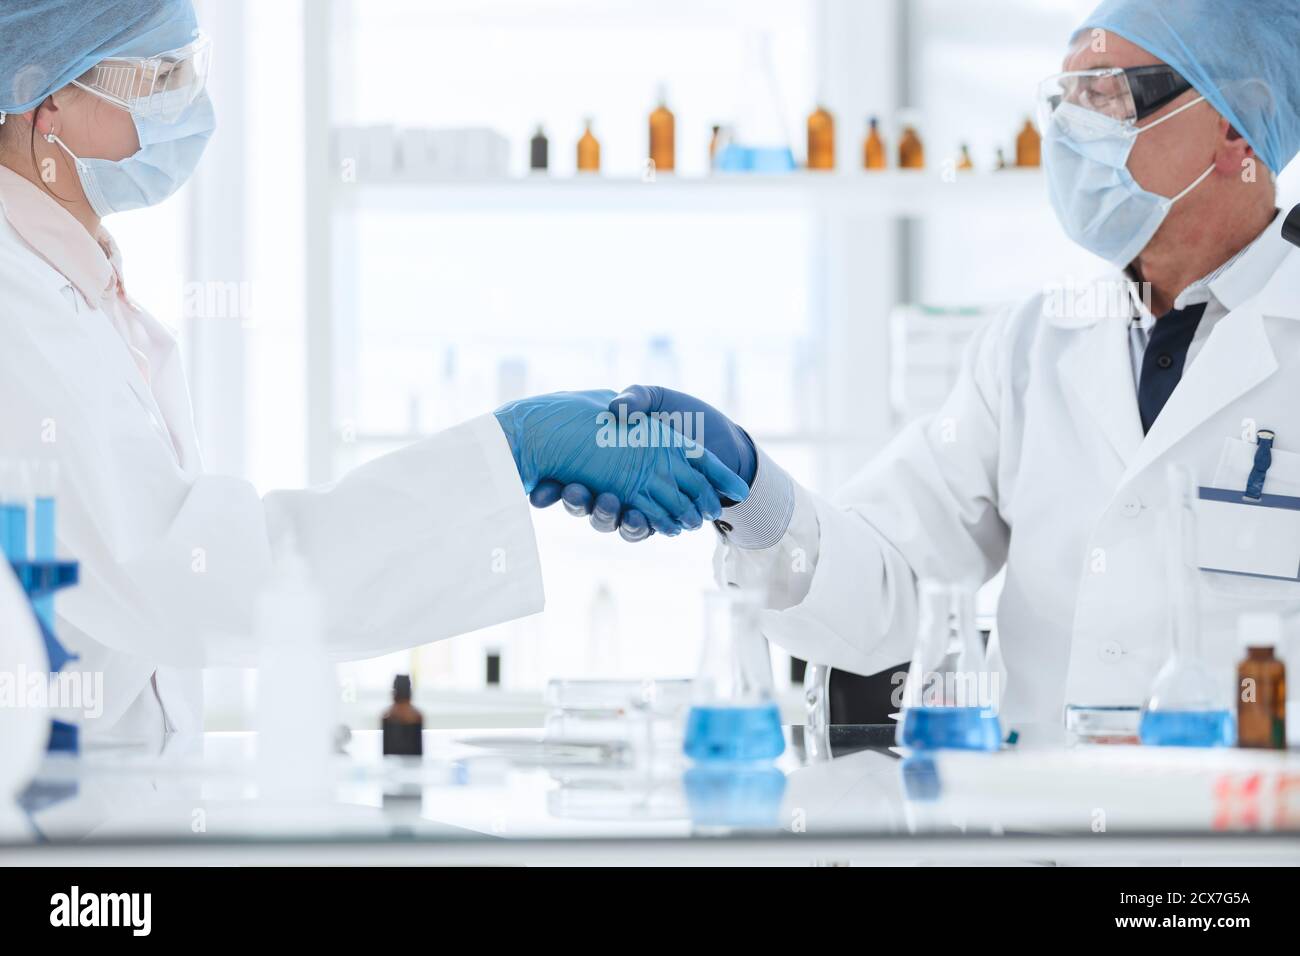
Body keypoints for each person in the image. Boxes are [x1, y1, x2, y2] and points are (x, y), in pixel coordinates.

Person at [0, 0, 747, 742]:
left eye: (192, 68)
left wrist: (506, 457)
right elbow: (197, 575)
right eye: (160, 75)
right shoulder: (18, 311)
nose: (192, 105)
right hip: (63, 822)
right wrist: (511, 451)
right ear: (48, 99)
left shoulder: (74, 284)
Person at [547, 0, 1300, 731]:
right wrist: (747, 489)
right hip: (1053, 835)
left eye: (1106, 97)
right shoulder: (1033, 346)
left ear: (1234, 129)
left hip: (1254, 839)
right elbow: (886, 590)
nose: (1073, 132)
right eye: (1064, 100)